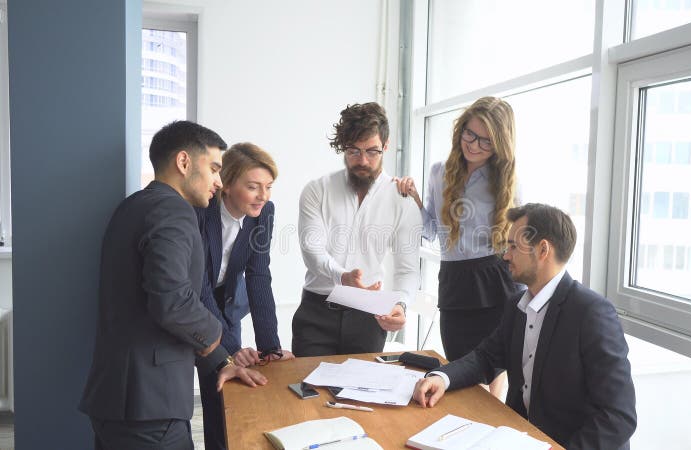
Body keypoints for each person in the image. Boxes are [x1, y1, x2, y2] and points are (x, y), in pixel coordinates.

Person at [79, 121, 267, 450]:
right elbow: (173, 302)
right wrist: (219, 336)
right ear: (183, 162)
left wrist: (221, 361)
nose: (218, 181)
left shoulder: (133, 205)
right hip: (149, 407)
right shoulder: (173, 212)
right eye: (213, 168)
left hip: (114, 398)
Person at [413, 204, 637, 450]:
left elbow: (619, 416)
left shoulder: (592, 313)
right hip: (521, 437)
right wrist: (442, 378)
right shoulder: (516, 305)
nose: (505, 255)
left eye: (512, 246)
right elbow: (485, 358)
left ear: (542, 250)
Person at [394, 96, 521, 398]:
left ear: (500, 145)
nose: (474, 145)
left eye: (486, 142)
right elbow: (429, 229)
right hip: (455, 280)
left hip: (496, 280)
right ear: (460, 130)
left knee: (495, 373)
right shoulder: (440, 171)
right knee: (460, 370)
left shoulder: (505, 179)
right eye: (470, 134)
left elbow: (518, 232)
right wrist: (411, 197)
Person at [292, 102, 422, 356]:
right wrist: (342, 277)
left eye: (372, 151)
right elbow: (312, 251)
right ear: (343, 147)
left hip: (369, 317)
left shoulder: (402, 199)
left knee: (362, 395)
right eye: (353, 151)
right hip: (317, 312)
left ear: (386, 145)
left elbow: (408, 270)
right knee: (306, 393)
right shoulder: (316, 190)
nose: (363, 160)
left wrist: (402, 305)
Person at [194, 142, 294, 450]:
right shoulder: (200, 210)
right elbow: (200, 286)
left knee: (232, 394)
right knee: (217, 382)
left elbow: (259, 275)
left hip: (227, 304)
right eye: (253, 187)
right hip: (195, 303)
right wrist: (232, 350)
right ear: (227, 184)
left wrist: (270, 348)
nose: (263, 196)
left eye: (268, 187)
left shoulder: (264, 212)